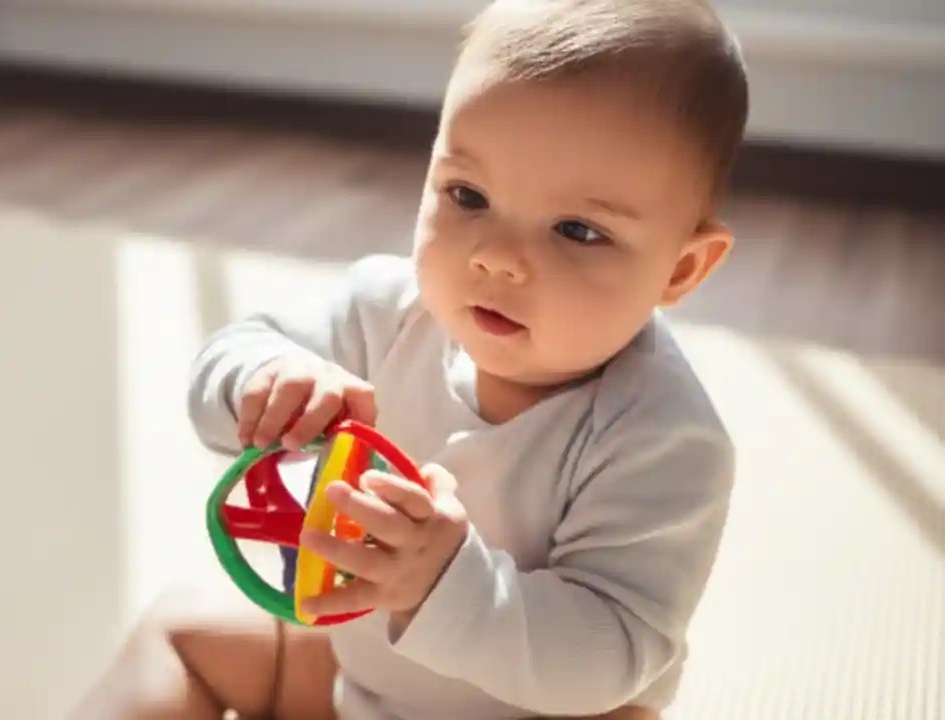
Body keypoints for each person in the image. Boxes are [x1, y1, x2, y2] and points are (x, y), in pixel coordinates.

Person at [81, 0, 748, 717]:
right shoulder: (389, 311)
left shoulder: (664, 439)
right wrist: (262, 381)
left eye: (577, 230)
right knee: (183, 632)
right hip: (363, 681)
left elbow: (610, 656)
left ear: (680, 271)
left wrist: (446, 586)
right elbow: (228, 358)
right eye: (468, 195)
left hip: (541, 711)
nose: (496, 258)